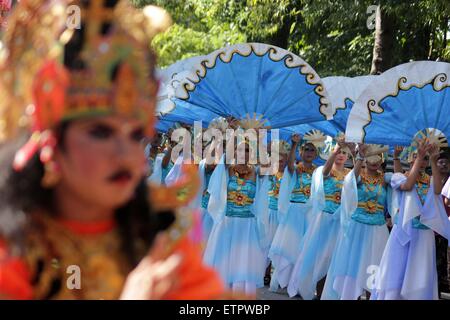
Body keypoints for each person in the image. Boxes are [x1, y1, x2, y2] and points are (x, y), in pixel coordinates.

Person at [0, 0, 224, 300]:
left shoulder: (161, 242)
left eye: (135, 136)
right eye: (100, 132)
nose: (127, 156)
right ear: (49, 139)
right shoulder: (12, 251)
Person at [372, 137, 449, 300]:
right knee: (396, 271)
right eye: (416, 156)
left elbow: (437, 190)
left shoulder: (429, 179)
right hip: (403, 234)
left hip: (424, 234)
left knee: (420, 274)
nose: (421, 161)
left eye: (424, 158)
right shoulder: (397, 177)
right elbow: (408, 186)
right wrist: (420, 157)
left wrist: (434, 160)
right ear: (410, 158)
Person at [203, 128, 269, 296]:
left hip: (247, 226)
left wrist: (260, 138)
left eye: (247, 150)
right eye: (240, 149)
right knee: (223, 262)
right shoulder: (227, 169)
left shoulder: (256, 171)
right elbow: (226, 155)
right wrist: (232, 132)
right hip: (227, 222)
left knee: (242, 263)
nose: (243, 153)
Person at [321, 144, 391, 300]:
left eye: (377, 157)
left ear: (381, 160)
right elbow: (351, 179)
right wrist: (359, 156)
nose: (374, 161)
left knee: (374, 267)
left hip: (377, 229)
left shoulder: (385, 179)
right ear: (365, 160)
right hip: (356, 227)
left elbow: (404, 182)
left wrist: (399, 158)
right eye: (370, 157)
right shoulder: (357, 178)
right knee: (352, 267)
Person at [287, 135, 352, 299]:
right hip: (323, 219)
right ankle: (311, 288)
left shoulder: (350, 174)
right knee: (318, 255)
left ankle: (327, 294)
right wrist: (337, 147)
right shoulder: (324, 171)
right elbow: (324, 171)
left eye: (344, 152)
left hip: (340, 221)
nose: (341, 155)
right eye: (338, 152)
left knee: (332, 258)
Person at [268, 131, 325, 292]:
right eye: (306, 149)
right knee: (290, 247)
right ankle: (284, 280)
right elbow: (290, 165)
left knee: (304, 250)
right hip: (294, 212)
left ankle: (299, 284)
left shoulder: (318, 171)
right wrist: (293, 144)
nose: (309, 153)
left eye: (312, 150)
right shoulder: (296, 169)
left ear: (316, 154)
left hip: (310, 214)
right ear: (301, 152)